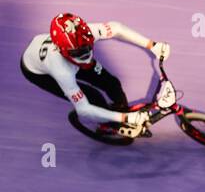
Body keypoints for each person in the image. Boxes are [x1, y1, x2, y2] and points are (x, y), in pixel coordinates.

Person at [21, 12, 170, 135]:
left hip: (64, 58)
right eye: (78, 52)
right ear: (62, 50)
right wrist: (125, 118)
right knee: (94, 97)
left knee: (112, 83)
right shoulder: (62, 71)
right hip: (39, 73)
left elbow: (117, 28)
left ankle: (121, 112)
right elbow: (84, 110)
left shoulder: (86, 33)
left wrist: (152, 45)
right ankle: (109, 125)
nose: (86, 55)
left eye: (88, 47)